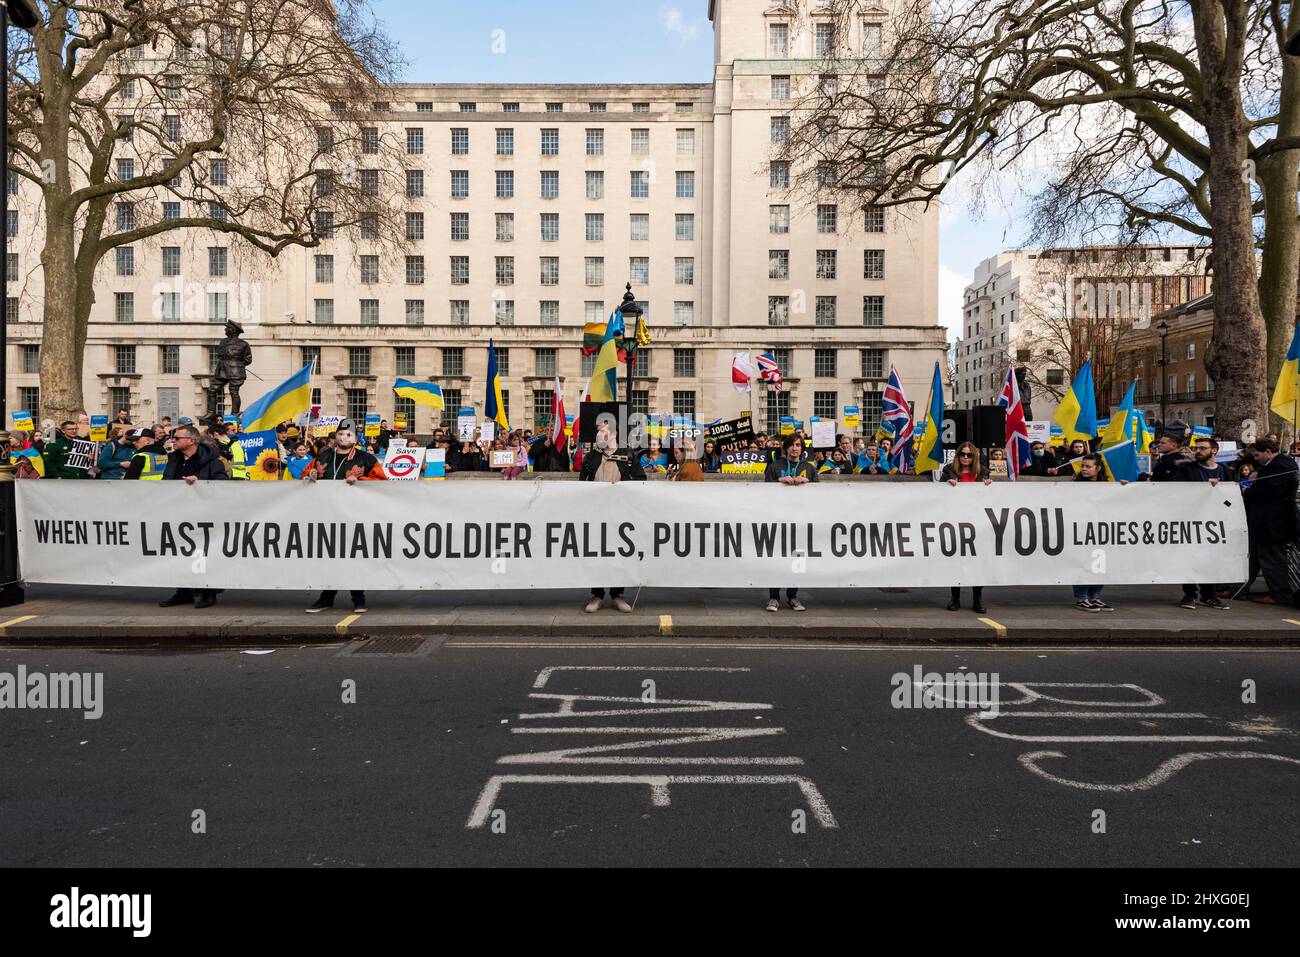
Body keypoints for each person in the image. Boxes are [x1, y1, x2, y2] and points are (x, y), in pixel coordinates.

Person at [300, 419, 388, 614]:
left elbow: (382, 481)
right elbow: (305, 475)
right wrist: (311, 474)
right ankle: (327, 597)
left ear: (355, 438)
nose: (343, 437)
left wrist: (360, 479)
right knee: (329, 556)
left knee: (353, 556)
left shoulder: (365, 458)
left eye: (348, 435)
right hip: (326, 514)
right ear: (335, 436)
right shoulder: (322, 455)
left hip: (355, 515)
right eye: (340, 434)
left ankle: (358, 598)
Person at [157, 425, 229, 610]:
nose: (173, 440)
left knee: (207, 553)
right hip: (180, 513)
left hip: (206, 515)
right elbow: (167, 481)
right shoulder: (174, 459)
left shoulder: (213, 461)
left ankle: (208, 591)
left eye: (177, 438)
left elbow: (222, 484)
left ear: (191, 441)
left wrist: (200, 482)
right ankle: (184, 591)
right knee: (181, 553)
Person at [579, 420, 645, 613]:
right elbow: (582, 483)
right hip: (596, 513)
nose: (600, 435)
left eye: (604, 432)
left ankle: (617, 594)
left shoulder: (629, 455)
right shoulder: (591, 457)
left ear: (614, 434)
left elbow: (641, 480)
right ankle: (597, 594)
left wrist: (624, 486)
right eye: (599, 432)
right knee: (596, 554)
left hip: (621, 514)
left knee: (620, 555)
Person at [1171, 437, 1231, 610]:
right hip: (1191, 521)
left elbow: (1231, 494)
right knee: (1190, 557)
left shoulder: (1225, 471)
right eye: (1196, 448)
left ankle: (1209, 595)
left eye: (1202, 448)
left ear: (1214, 451)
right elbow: (1175, 491)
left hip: (1215, 523)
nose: (1197, 451)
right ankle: (1189, 594)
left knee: (1211, 559)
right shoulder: (1186, 470)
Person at [1240, 437, 1299, 606]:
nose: (1255, 459)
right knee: (1257, 557)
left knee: (1272, 559)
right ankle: (1239, 587)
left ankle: (1279, 593)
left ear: (1268, 452)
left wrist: (1247, 491)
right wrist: (1258, 471)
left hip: (1273, 523)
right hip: (1266, 522)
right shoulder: (1275, 464)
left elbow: (1271, 489)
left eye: (1257, 455)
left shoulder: (1283, 465)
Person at [763, 435, 816, 612]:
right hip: (778, 520)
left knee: (797, 558)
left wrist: (808, 484)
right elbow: (763, 492)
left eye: (798, 445)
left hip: (800, 521)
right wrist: (779, 482)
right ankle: (773, 597)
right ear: (785, 448)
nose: (795, 448)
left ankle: (793, 596)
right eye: (791, 445)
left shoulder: (808, 468)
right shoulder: (774, 467)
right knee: (776, 558)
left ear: (802, 448)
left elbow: (820, 493)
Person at [941, 441, 993, 613]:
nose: (965, 457)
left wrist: (988, 486)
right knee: (956, 562)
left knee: (977, 562)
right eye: (962, 454)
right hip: (955, 522)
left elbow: (990, 497)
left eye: (969, 455)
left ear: (974, 457)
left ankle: (977, 599)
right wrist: (947, 484)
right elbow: (937, 494)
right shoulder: (949, 470)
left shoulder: (983, 472)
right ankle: (955, 598)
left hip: (977, 522)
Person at [1071, 454, 1117, 612]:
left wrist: (1123, 488)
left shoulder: (1107, 486)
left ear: (1098, 468)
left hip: (1101, 531)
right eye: (1082, 466)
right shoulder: (1074, 486)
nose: (1084, 469)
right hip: (1082, 530)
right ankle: (1082, 597)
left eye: (1088, 466)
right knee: (1084, 563)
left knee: (1100, 563)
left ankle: (1094, 596)